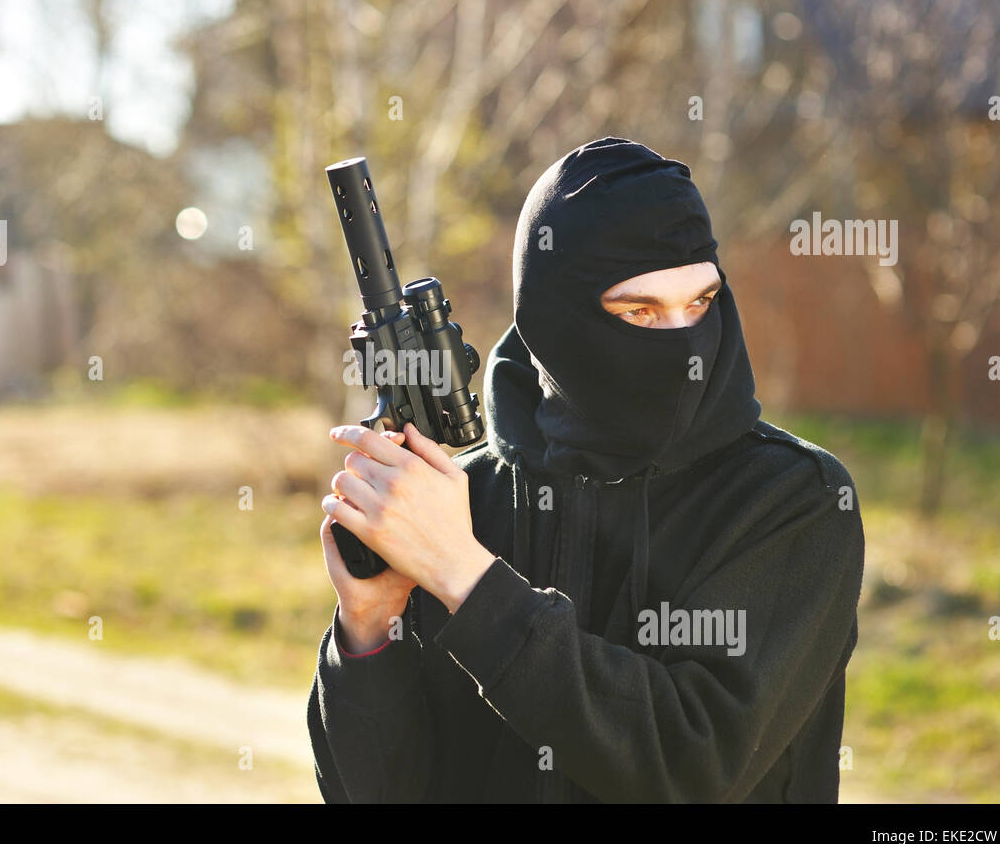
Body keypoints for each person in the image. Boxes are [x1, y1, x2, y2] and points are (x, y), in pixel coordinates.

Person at [306, 136, 865, 803]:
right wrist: (368, 631)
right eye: (639, 311)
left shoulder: (792, 500)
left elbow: (691, 763)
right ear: (555, 320)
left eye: (701, 302)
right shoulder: (462, 501)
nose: (684, 343)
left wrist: (467, 580)